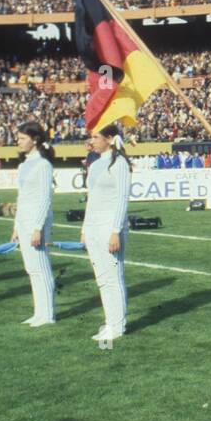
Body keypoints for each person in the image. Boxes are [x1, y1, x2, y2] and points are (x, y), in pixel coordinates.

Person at [82, 123, 131, 342]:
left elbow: (122, 199)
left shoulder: (119, 164)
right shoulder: (94, 165)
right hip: (93, 227)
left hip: (109, 227)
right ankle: (110, 321)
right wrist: (85, 228)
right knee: (102, 278)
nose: (91, 141)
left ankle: (118, 326)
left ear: (109, 139)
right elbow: (91, 199)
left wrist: (115, 231)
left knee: (113, 277)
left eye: (95, 137)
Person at [12, 122, 56, 326]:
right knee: (31, 268)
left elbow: (44, 198)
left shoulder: (43, 165)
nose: (18, 142)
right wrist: (16, 225)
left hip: (36, 221)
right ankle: (39, 312)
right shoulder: (24, 164)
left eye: (22, 138)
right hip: (24, 220)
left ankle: (47, 314)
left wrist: (38, 227)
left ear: (35, 139)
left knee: (40, 267)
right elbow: (22, 197)